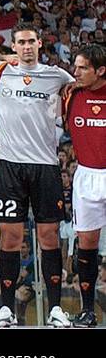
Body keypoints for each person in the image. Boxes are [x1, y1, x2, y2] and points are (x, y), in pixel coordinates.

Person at [0, 24, 77, 327]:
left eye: (30, 42)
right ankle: (6, 309)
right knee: (9, 238)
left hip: (46, 167)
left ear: (39, 44)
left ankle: (56, 310)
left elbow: (82, 86)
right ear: (14, 45)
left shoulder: (57, 75)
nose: (26, 47)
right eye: (20, 42)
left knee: (49, 238)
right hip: (9, 166)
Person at [62, 44, 106, 327]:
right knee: (86, 244)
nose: (75, 73)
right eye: (75, 66)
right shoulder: (70, 94)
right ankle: (88, 310)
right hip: (87, 176)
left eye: (82, 68)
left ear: (100, 71)